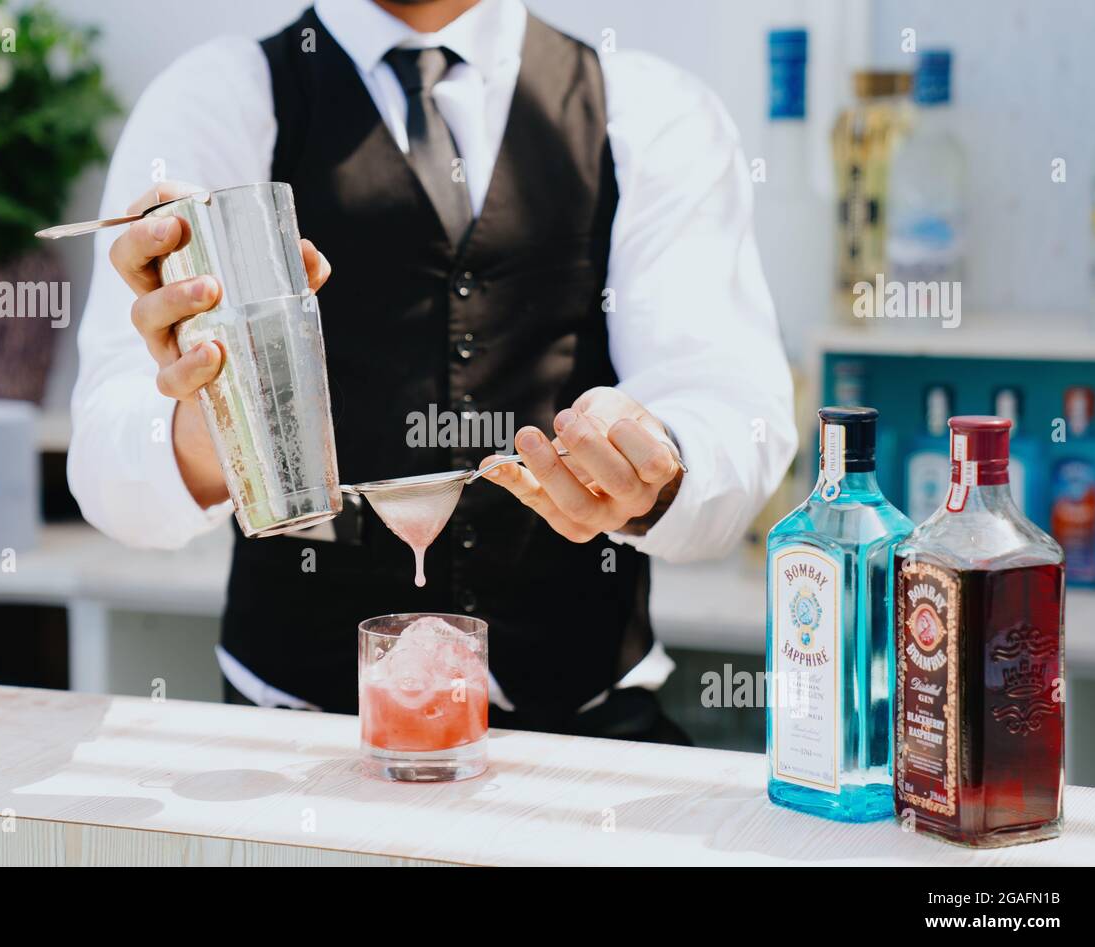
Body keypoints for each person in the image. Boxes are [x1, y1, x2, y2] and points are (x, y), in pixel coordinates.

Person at [69, 0, 797, 743]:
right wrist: (210, 420)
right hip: (298, 752)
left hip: (583, 737)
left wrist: (655, 468)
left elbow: (729, 407)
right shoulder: (216, 100)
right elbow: (107, 464)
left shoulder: (652, 111)